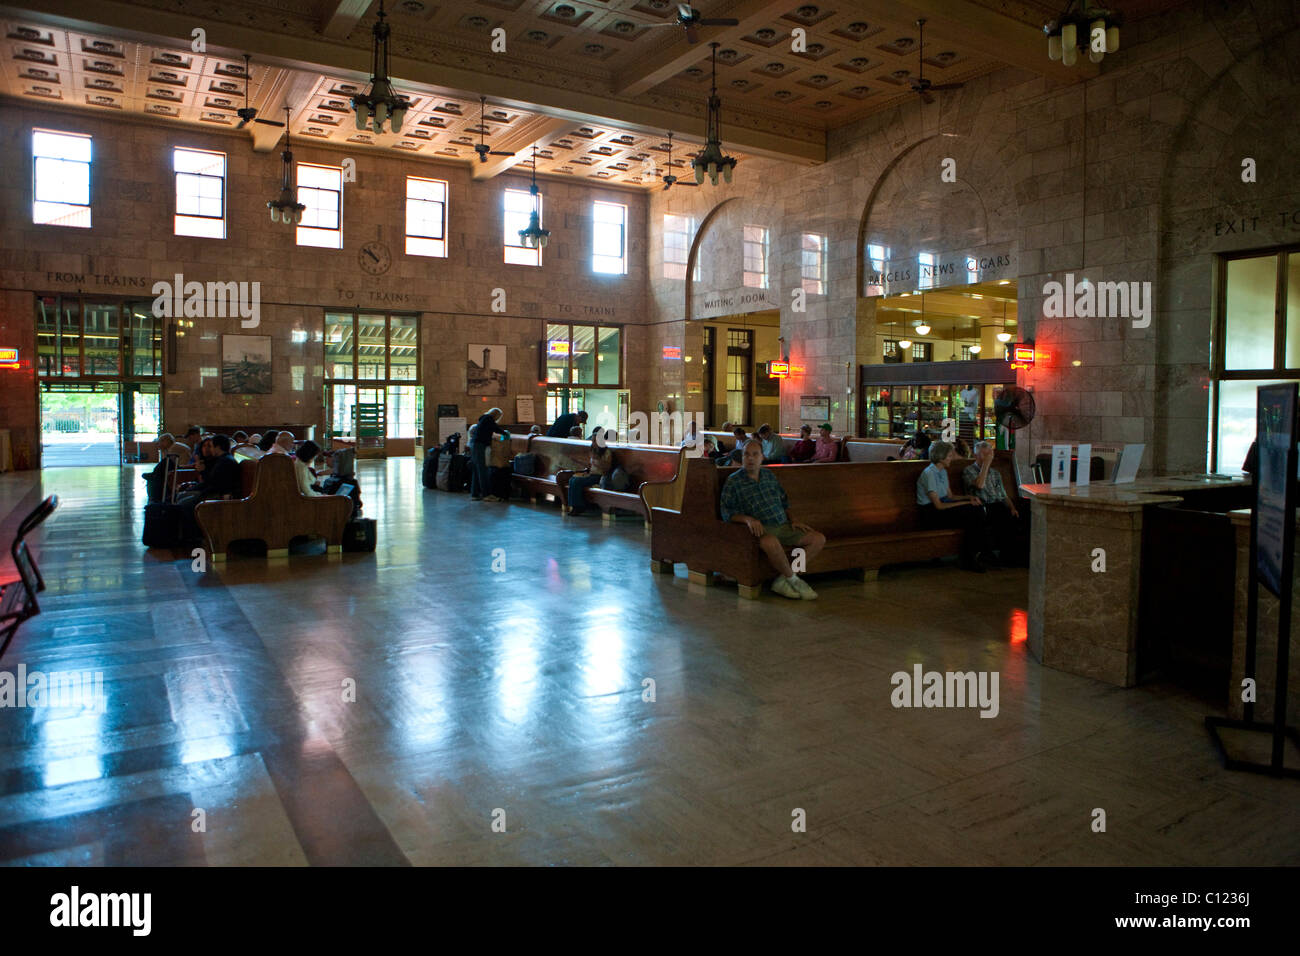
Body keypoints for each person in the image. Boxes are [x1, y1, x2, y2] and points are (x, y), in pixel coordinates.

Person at [721, 439, 825, 600]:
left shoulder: (769, 475)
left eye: (755, 454)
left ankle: (785, 579)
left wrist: (794, 520)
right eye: (746, 454)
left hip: (783, 525)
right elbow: (727, 512)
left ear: (762, 457)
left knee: (818, 539)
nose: (750, 458)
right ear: (742, 457)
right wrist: (748, 520)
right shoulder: (733, 481)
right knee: (770, 542)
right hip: (759, 529)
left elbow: (784, 501)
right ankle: (794, 581)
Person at [916, 440, 991, 573]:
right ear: (941, 457)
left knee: (976, 511)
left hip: (944, 506)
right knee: (974, 513)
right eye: (950, 456)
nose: (952, 458)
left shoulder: (943, 471)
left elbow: (950, 496)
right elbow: (938, 505)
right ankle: (971, 557)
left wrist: (969, 497)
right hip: (930, 513)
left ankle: (974, 554)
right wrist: (967, 503)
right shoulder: (929, 474)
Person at [963, 440, 1028, 564]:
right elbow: (980, 485)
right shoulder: (969, 471)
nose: (988, 458)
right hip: (981, 508)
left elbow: (1003, 495)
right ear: (976, 455)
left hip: (998, 506)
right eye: (985, 455)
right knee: (1000, 512)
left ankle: (1016, 555)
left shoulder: (995, 473)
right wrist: (986, 464)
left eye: (989, 455)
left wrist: (1012, 508)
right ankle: (1002, 556)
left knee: (1021, 513)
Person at [567, 428, 612, 515]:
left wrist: (597, 459)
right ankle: (573, 506)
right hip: (592, 474)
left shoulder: (607, 452)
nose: (593, 443)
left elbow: (606, 468)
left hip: (600, 476)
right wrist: (577, 461)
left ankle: (579, 507)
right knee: (572, 480)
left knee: (577, 481)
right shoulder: (594, 451)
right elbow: (590, 465)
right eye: (592, 441)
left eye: (595, 441)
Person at [469, 407, 509, 501]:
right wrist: (505, 434)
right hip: (479, 445)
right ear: (496, 415)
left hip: (475, 444)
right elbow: (495, 428)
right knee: (482, 470)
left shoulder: (484, 419)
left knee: (477, 469)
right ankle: (486, 495)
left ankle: (475, 494)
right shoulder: (488, 419)